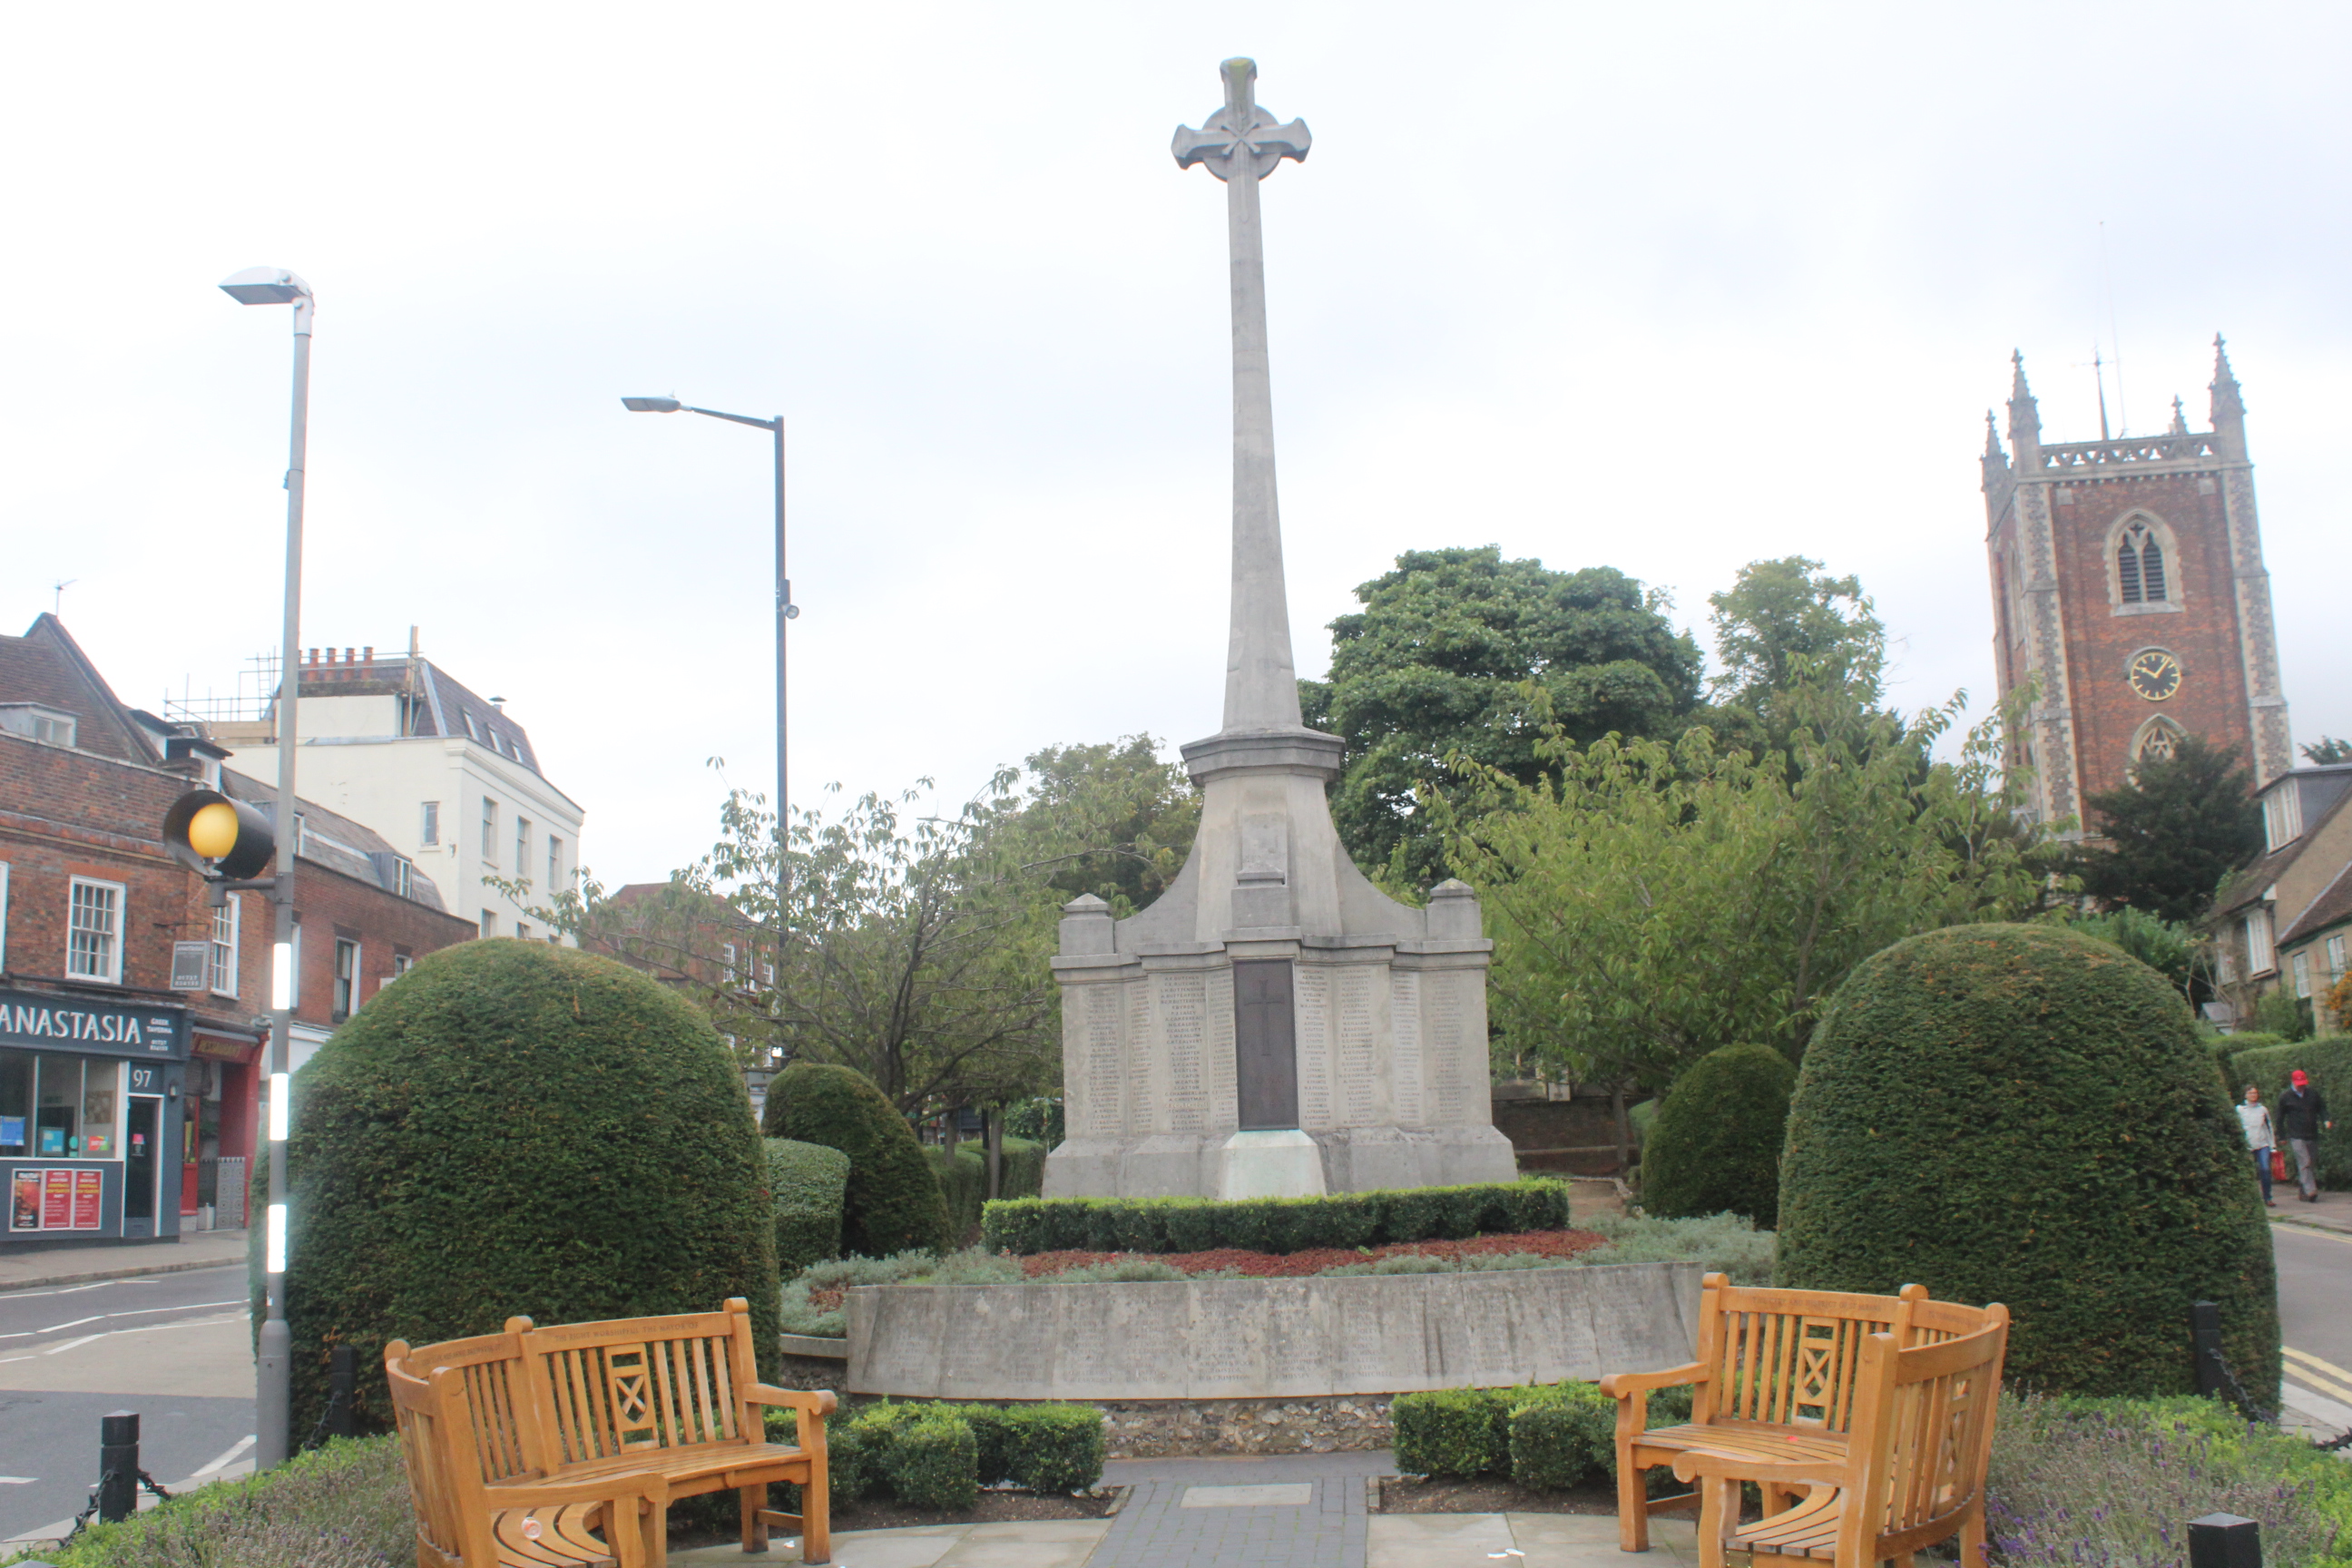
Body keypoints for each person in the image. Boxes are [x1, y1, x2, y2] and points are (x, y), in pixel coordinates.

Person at [2278, 1068, 2334, 1204]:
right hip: (2296, 1135)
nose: (2301, 1086)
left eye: (2303, 1083)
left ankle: (2303, 1189)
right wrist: (2281, 1136)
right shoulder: (2285, 1096)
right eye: (2299, 1083)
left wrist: (2326, 1119)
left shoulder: (2312, 1094)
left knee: (2310, 1163)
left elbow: (2321, 1108)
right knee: (2305, 1161)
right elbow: (2279, 1117)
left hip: (2311, 1133)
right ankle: (2311, 1191)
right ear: (2293, 1081)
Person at [2236, 1084, 2277, 1206]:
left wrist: (2272, 1146)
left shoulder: (2262, 1110)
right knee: (2247, 1172)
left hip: (2262, 1144)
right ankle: (2247, 1198)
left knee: (2265, 1169)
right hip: (2247, 1145)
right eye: (2251, 1093)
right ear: (2245, 1095)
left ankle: (2267, 1197)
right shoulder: (2240, 1110)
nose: (2253, 1095)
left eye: (2255, 1093)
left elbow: (2269, 1128)